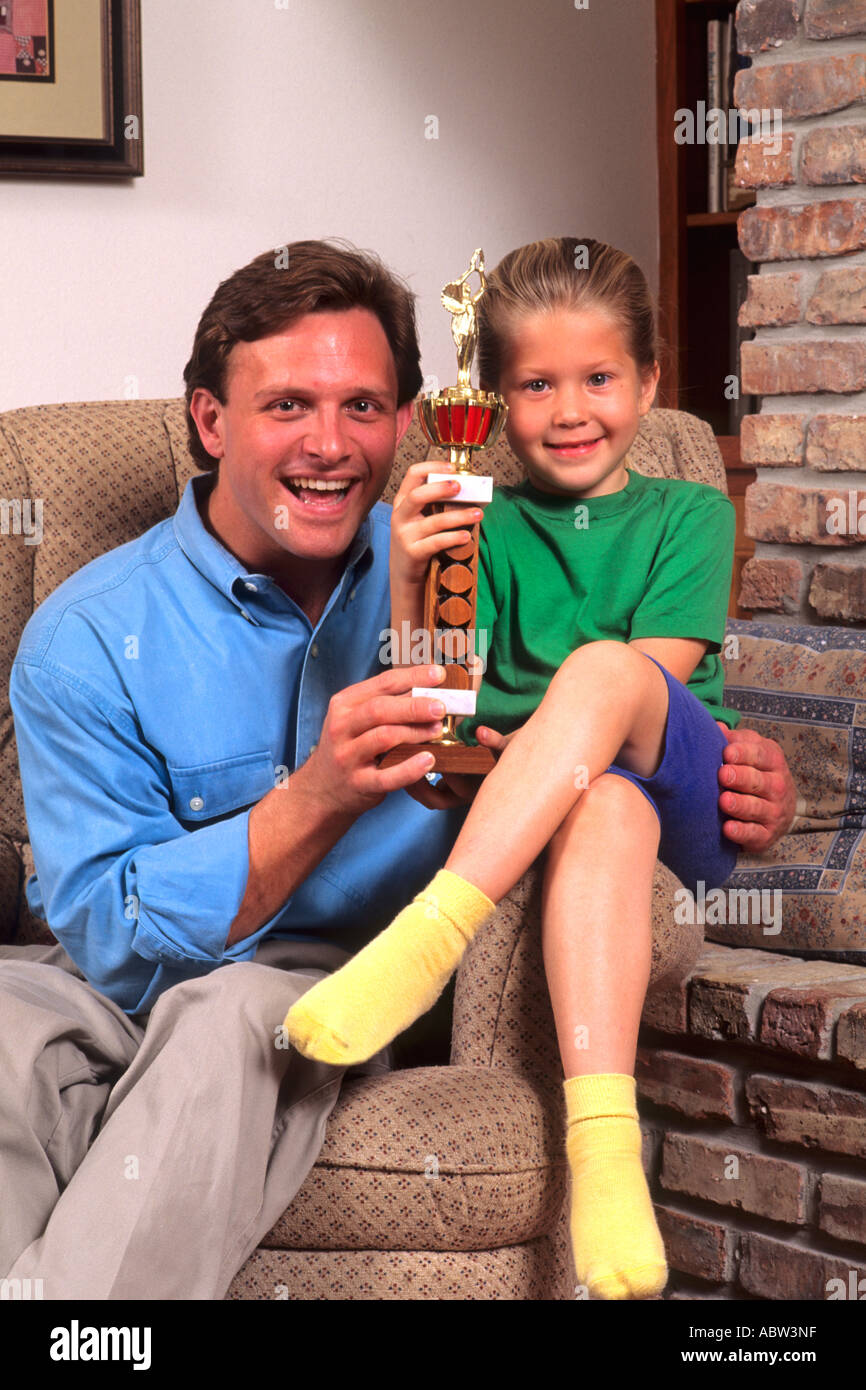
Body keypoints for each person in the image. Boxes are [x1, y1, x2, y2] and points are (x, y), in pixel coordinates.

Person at [1, 238, 795, 1301]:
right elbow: (101, 932)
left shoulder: (466, 555)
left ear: (410, 422)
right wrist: (316, 795)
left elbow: (612, 712)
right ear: (208, 420)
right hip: (116, 968)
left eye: (362, 407)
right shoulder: (88, 635)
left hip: (320, 976)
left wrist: (735, 770)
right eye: (286, 405)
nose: (329, 446)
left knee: (229, 1019)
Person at [283, 236, 777, 1301]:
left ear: (647, 380)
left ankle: (431, 932)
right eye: (536, 385)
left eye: (599, 378)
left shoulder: (687, 511)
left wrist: (528, 741)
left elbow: (647, 678)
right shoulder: (484, 520)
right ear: (496, 403)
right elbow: (448, 696)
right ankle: (604, 1153)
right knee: (591, 796)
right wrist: (418, 582)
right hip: (577, 797)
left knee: (601, 678)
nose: (570, 410)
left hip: (681, 778)